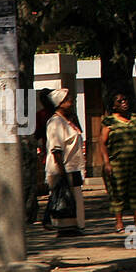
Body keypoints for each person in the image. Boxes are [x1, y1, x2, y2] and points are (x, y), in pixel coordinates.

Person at [97, 90, 136, 236]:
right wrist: (106, 162)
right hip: (118, 164)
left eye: (125, 100)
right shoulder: (109, 121)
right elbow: (102, 143)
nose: (124, 103)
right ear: (113, 106)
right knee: (118, 193)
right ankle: (119, 223)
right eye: (120, 101)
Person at [45, 88, 86, 236]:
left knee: (75, 197)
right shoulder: (55, 122)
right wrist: (62, 173)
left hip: (73, 166)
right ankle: (64, 228)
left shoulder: (67, 121)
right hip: (63, 168)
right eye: (68, 100)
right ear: (60, 103)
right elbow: (56, 150)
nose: (71, 102)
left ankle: (74, 227)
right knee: (64, 198)